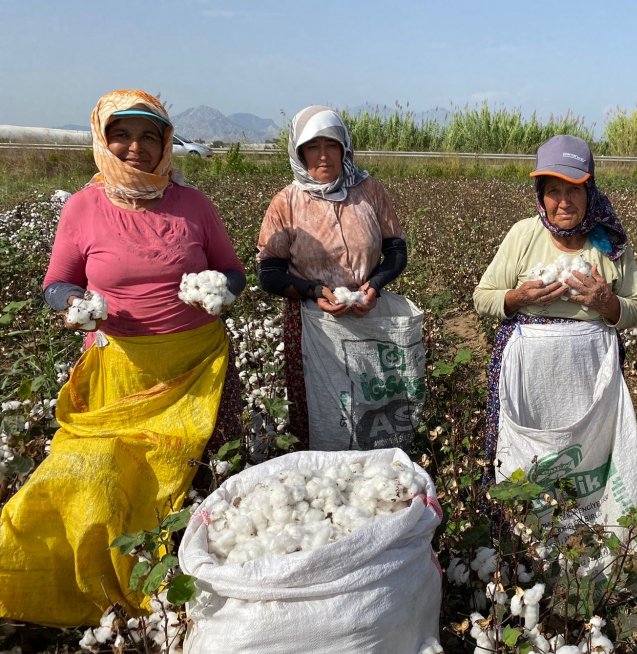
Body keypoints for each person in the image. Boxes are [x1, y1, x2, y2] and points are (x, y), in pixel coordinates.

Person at [0, 90, 246, 627]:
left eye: (149, 136)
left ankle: (199, 591)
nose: (136, 147)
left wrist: (221, 289)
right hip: (120, 372)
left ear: (165, 144)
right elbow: (55, 283)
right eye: (122, 135)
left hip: (198, 370)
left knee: (201, 480)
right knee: (98, 473)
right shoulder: (83, 207)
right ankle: (105, 587)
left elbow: (233, 270)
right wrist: (74, 304)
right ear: (103, 140)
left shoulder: (194, 205)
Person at [474, 135, 637, 524]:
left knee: (586, 453)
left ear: (590, 190)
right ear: (540, 195)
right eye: (553, 190)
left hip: (591, 373)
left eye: (573, 189)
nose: (563, 201)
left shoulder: (611, 244)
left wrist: (607, 304)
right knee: (528, 451)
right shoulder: (523, 235)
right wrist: (517, 298)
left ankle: (587, 523)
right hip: (529, 373)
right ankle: (518, 531)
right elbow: (483, 297)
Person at [257, 106, 412, 450]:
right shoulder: (287, 203)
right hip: (313, 324)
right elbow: (269, 274)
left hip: (366, 315)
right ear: (299, 152)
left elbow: (396, 252)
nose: (324, 155)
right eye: (313, 146)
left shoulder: (369, 191)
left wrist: (374, 285)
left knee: (372, 409)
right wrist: (314, 291)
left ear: (345, 149)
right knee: (321, 413)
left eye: (332, 144)